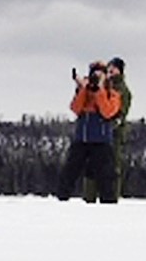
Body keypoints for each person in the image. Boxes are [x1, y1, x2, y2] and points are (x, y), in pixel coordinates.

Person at [56, 61, 123, 203]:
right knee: (70, 170)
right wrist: (83, 89)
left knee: (106, 175)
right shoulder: (85, 91)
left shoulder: (112, 93)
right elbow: (75, 108)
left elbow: (107, 112)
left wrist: (100, 91)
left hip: (101, 141)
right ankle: (62, 199)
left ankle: (108, 204)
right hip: (82, 138)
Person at [86, 57, 133, 202]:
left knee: (113, 167)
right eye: (109, 68)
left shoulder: (122, 90)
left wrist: (110, 125)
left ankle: (111, 198)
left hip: (114, 134)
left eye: (114, 68)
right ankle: (90, 197)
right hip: (99, 132)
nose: (111, 71)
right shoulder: (105, 85)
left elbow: (121, 113)